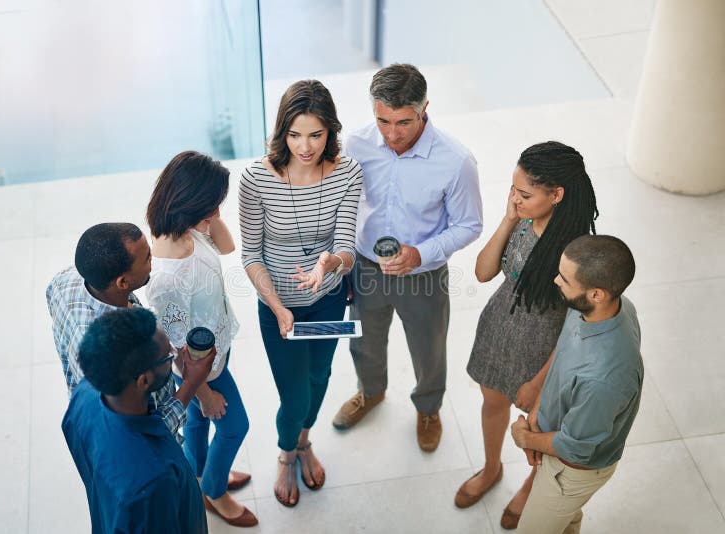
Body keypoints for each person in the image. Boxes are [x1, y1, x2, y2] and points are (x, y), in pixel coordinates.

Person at [332, 63, 482, 452]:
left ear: (425, 108)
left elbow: (469, 225)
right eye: (383, 121)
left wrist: (421, 254)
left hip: (424, 276)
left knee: (429, 348)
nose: (393, 134)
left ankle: (428, 408)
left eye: (403, 122)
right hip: (366, 266)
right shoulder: (357, 144)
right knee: (363, 340)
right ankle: (371, 392)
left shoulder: (456, 160)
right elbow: (344, 202)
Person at [455, 141, 599, 529]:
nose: (515, 199)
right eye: (513, 190)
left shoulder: (576, 252)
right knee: (492, 402)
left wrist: (538, 382)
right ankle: (490, 469)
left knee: (539, 427)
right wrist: (507, 219)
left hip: (545, 349)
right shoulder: (519, 219)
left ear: (557, 195)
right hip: (500, 327)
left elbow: (575, 325)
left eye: (525, 194)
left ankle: (531, 486)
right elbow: (485, 273)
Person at [239, 79, 363, 507]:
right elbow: (251, 254)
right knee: (294, 394)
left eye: (316, 134)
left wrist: (330, 263)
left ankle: (305, 441)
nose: (305, 146)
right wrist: (276, 305)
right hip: (279, 309)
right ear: (281, 133)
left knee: (320, 378)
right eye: (294, 135)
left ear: (331, 131)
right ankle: (287, 451)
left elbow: (346, 245)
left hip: (329, 298)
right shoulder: (256, 179)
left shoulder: (348, 172)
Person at [145, 151, 256, 528]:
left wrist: (212, 215)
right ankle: (213, 489)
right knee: (233, 424)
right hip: (199, 367)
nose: (217, 211)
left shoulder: (193, 228)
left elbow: (226, 248)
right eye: (212, 204)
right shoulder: (166, 277)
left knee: (196, 423)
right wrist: (205, 392)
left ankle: (198, 477)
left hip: (215, 344)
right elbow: (174, 348)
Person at [510, 234, 641, 534]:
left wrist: (526, 439)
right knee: (566, 521)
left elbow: (575, 448)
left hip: (570, 473)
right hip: (556, 448)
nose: (556, 280)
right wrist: (538, 409)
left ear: (596, 294)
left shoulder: (605, 378)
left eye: (564, 279)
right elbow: (566, 351)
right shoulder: (601, 308)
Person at [62, 307, 214, 534]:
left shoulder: (84, 396)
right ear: (143, 380)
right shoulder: (153, 483)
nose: (174, 353)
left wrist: (190, 384)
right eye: (168, 357)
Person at [46, 222, 197, 435]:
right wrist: (192, 383)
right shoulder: (115, 357)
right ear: (123, 282)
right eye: (147, 258)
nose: (153, 257)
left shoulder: (63, 280)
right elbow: (143, 432)